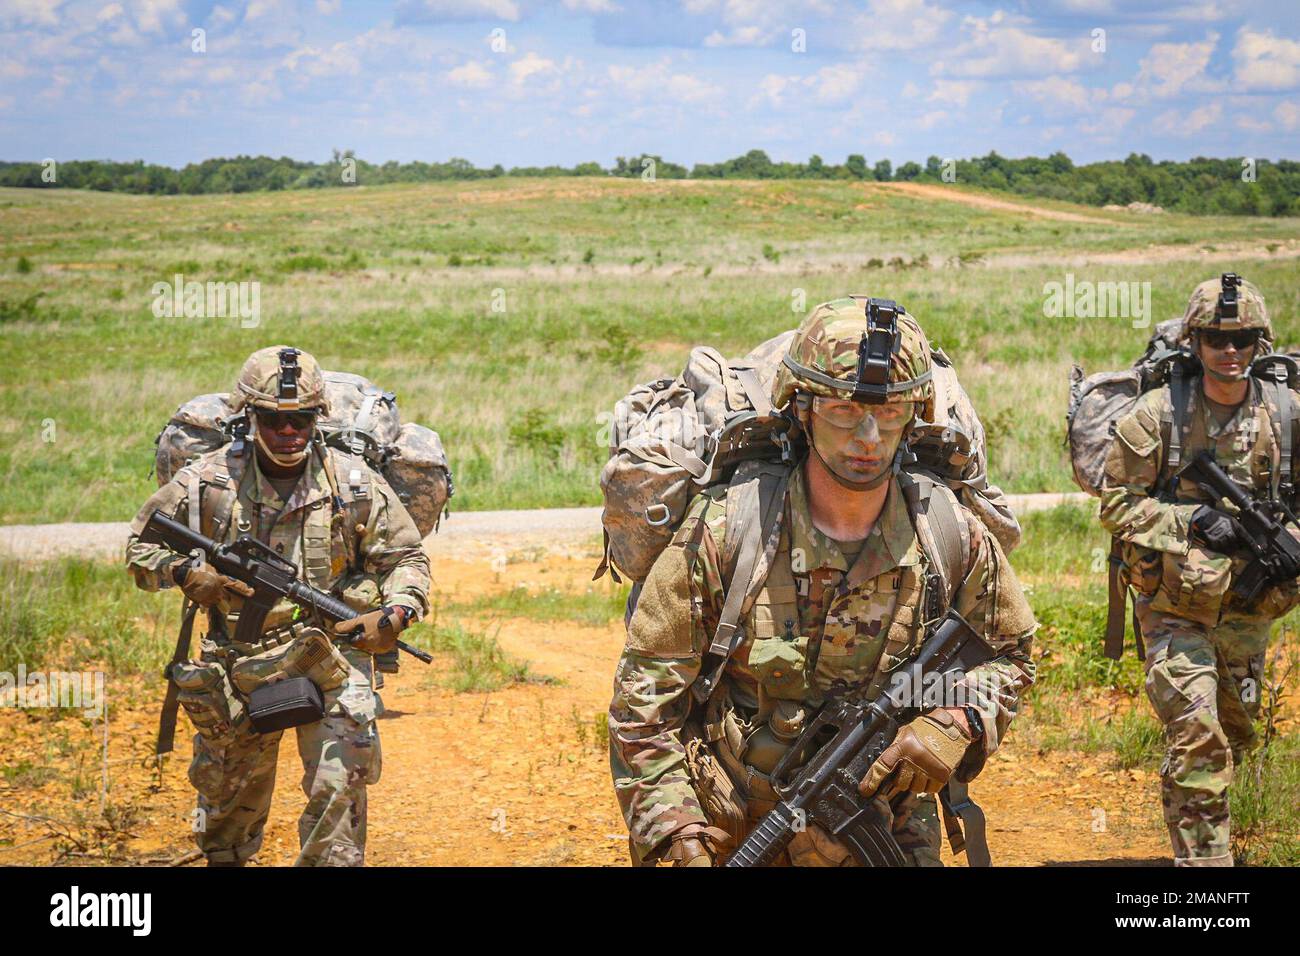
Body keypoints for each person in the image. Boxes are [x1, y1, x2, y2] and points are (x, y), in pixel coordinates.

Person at [608, 296, 1037, 866]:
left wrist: (956, 721)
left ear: (914, 415)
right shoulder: (729, 529)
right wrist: (677, 830)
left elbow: (1011, 654)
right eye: (843, 411)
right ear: (802, 409)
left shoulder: (945, 530)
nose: (868, 437)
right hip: (733, 825)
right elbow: (643, 706)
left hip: (885, 823)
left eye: (890, 413)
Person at [125, 346, 430, 866]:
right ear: (250, 417)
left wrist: (396, 613)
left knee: (341, 785)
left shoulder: (353, 481)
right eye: (273, 419)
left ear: (318, 417)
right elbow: (139, 549)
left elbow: (406, 556)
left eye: (301, 419)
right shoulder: (209, 481)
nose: (288, 432)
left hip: (329, 653)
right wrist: (184, 572)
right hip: (237, 659)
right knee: (226, 811)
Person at [1100, 274, 1297, 866]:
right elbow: (1116, 505)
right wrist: (1191, 523)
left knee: (1238, 731)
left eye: (1241, 338)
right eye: (1215, 338)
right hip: (1172, 607)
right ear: (1194, 342)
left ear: (1261, 342)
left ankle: (1225, 834)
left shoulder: (1287, 417)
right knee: (1197, 735)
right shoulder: (1154, 416)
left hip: (1248, 608)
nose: (1229, 350)